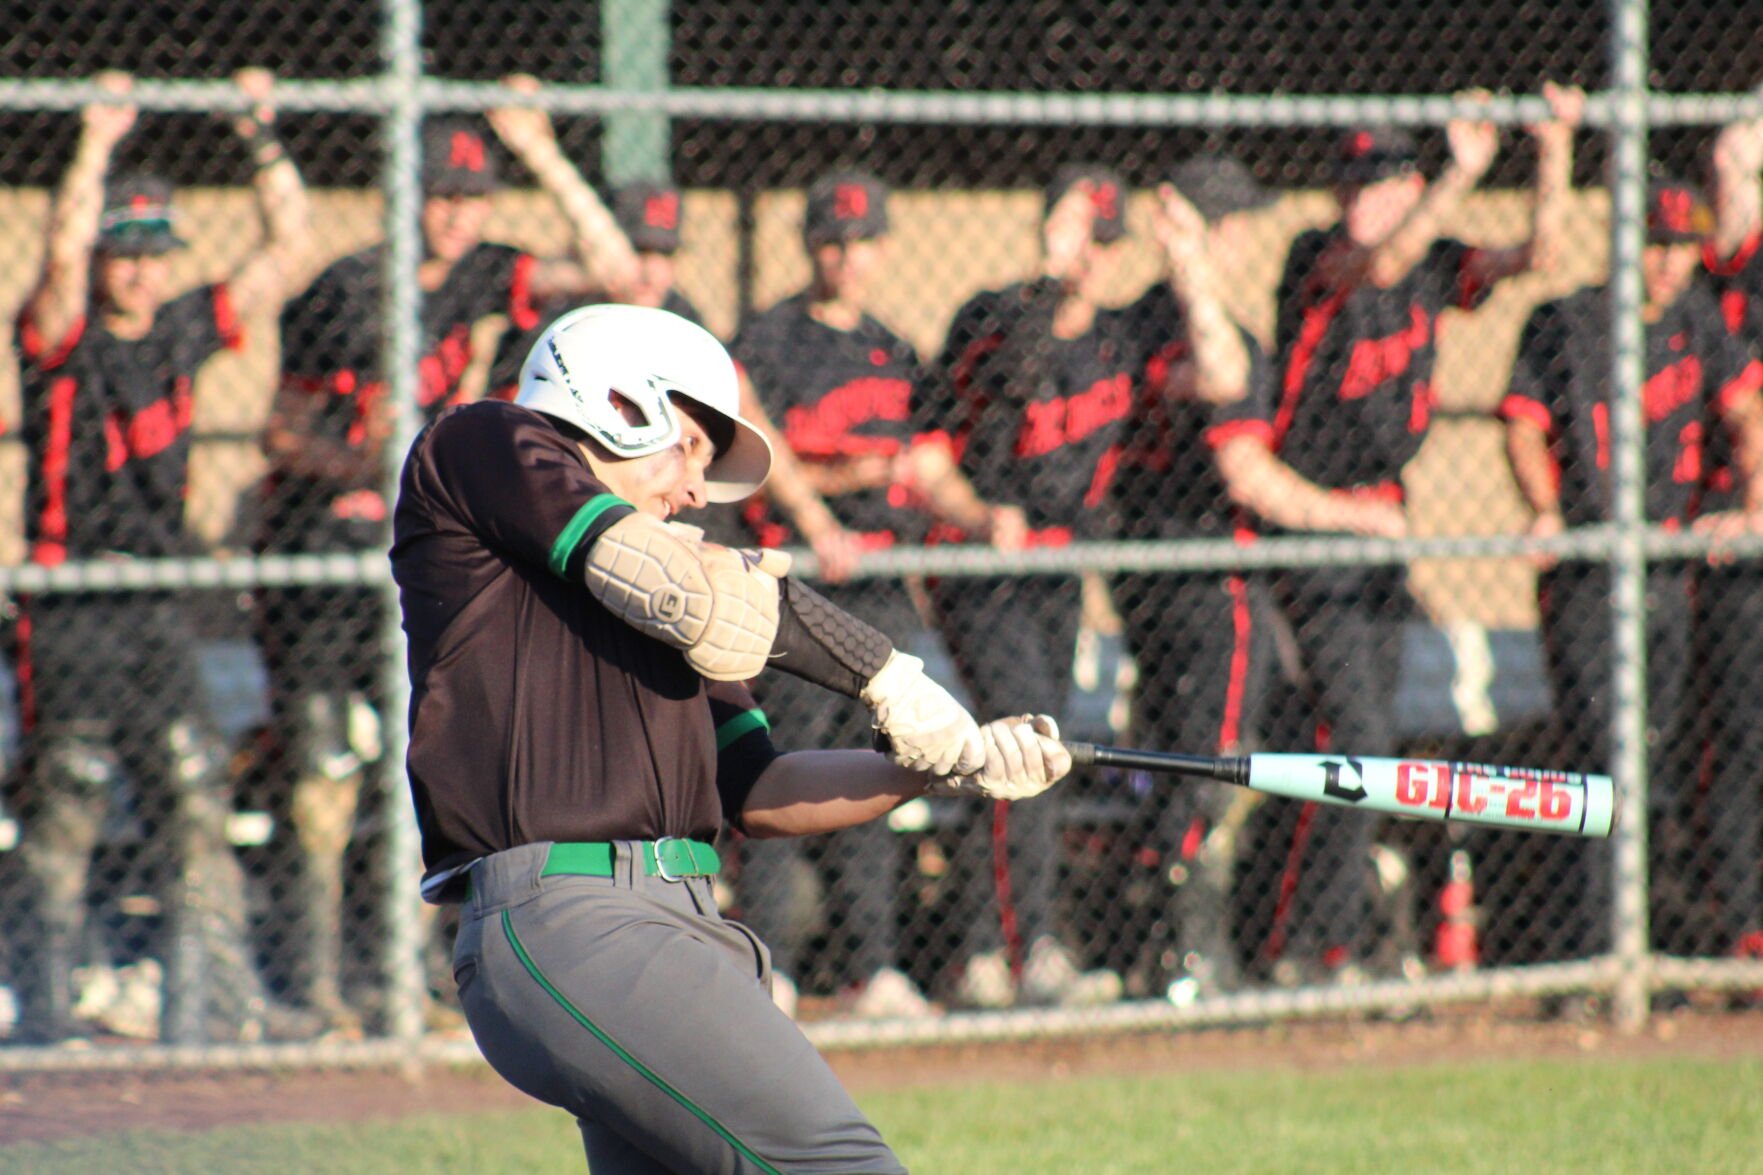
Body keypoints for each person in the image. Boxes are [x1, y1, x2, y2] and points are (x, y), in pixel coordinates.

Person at [391, 302, 1072, 1171]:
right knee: (840, 1162)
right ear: (615, 400)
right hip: (572, 919)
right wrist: (887, 673)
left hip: (680, 922)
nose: (692, 493)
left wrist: (943, 766)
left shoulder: (665, 586)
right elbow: (698, 593)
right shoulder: (482, 443)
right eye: (690, 451)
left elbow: (758, 786)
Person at [254, 81, 635, 1025]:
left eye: (471, 196)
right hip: (328, 561)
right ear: (405, 192)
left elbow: (619, 272)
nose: (455, 212)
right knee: (320, 781)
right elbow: (279, 432)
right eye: (439, 193)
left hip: (424, 569)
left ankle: (417, 972)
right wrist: (362, 461)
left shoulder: (487, 275)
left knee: (436, 768)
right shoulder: (343, 286)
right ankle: (315, 984)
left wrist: (539, 148)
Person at [1211, 86, 1579, 984]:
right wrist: (1457, 172)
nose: (1357, 196)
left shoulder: (1434, 257)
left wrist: (1554, 150)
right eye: (1350, 179)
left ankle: (1302, 936)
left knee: (1344, 737)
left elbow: (1543, 251)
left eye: (1377, 180)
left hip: (1382, 521)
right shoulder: (1317, 255)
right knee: (1359, 731)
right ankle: (1307, 944)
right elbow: (1375, 263)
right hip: (1306, 519)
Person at [8, 69, 319, 1043]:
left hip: (153, 608)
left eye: (153, 253)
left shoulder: (183, 326)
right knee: (67, 804)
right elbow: (59, 255)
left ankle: (205, 1020)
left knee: (194, 793)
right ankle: (45, 1016)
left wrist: (259, 136)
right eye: (124, 251)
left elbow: (289, 249)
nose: (138, 271)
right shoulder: (60, 335)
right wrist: (96, 140)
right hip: (69, 603)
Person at [1498, 178, 1763, 965]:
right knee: (1600, 761)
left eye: (1681, 249)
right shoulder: (1567, 322)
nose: (1666, 264)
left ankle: (1639, 947)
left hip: (1663, 570)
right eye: (1653, 245)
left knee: (1652, 759)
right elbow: (1520, 426)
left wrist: (1752, 502)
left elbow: (1746, 409)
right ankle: (1585, 947)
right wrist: (1544, 509)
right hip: (1587, 568)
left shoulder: (1696, 322)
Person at [906, 166, 1140, 1008]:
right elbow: (928, 453)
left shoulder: (1118, 340)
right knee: (1025, 728)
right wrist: (976, 517)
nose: (1092, 259)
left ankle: (999, 944)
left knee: (1032, 737)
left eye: (1104, 242)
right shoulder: (995, 316)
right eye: (1080, 237)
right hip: (978, 569)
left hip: (1053, 573)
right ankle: (1009, 948)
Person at [726, 171, 941, 1018]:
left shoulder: (896, 348)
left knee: (884, 771)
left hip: (881, 587)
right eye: (831, 242)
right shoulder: (770, 340)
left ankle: (874, 965)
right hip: (799, 587)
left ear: (884, 250)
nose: (847, 259)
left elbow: (924, 465)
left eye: (862, 243)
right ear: (808, 246)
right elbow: (763, 458)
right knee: (783, 768)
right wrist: (854, 479)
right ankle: (768, 962)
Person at [1105, 158, 1273, 1000]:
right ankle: (1184, 953)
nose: (1245, 239)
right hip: (1196, 578)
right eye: (1229, 224)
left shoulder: (1215, 321)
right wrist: (1190, 270)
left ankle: (1171, 946)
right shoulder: (1145, 324)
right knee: (1208, 758)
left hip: (1175, 573)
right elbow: (1219, 376)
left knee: (1192, 759)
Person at [1672, 116, 1763, 965]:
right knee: (1735, 732)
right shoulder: (1698, 286)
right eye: (1719, 177)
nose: (1719, 195)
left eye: (1737, 177)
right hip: (1731, 547)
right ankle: (1740, 924)